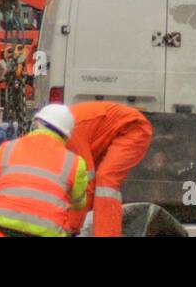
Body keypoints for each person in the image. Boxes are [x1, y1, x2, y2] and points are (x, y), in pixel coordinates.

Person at [0, 104, 88, 237]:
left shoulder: (5, 149)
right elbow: (79, 203)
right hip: (47, 232)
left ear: (36, 123)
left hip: (0, 228)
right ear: (66, 136)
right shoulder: (75, 163)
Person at [66, 101, 153, 237]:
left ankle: (106, 234)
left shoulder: (70, 135)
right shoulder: (62, 132)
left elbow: (86, 184)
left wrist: (72, 228)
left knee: (106, 180)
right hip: (109, 132)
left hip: (132, 129)